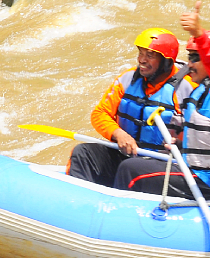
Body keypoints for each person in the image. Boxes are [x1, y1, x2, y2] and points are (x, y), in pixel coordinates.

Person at [115, 2, 210, 199]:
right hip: (204, 173)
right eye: (190, 57)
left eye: (196, 58)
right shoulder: (200, 91)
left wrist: (200, 35)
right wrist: (180, 144)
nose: (190, 64)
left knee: (132, 170)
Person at [66, 28, 184, 186]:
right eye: (141, 53)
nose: (142, 60)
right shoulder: (127, 79)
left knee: (130, 167)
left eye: (149, 55)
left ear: (166, 61)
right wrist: (118, 134)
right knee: (82, 153)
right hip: (128, 157)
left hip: (162, 163)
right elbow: (100, 113)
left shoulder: (185, 89)